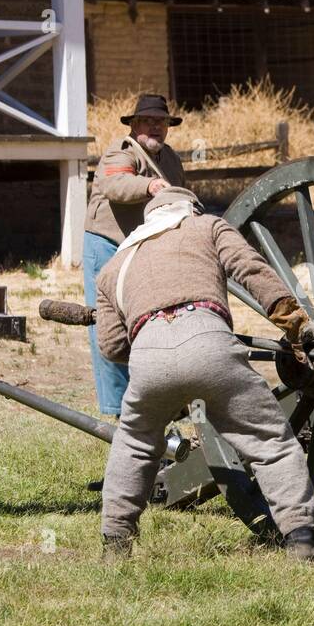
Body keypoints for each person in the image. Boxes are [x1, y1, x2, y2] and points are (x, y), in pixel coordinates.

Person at [93, 187, 314, 561]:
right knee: (269, 441)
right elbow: (253, 272)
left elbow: (111, 348)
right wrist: (297, 326)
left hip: (147, 356)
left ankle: (115, 546)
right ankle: (301, 542)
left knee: (134, 445)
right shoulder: (207, 227)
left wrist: (157, 354)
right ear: (190, 210)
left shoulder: (113, 268)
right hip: (209, 341)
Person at [83, 93, 188, 416]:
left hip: (144, 250)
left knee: (150, 324)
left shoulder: (169, 158)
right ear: (135, 125)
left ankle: (152, 402)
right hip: (107, 246)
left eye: (162, 122)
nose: (156, 127)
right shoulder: (123, 151)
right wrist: (149, 187)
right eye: (149, 121)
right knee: (108, 327)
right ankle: (116, 408)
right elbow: (115, 185)